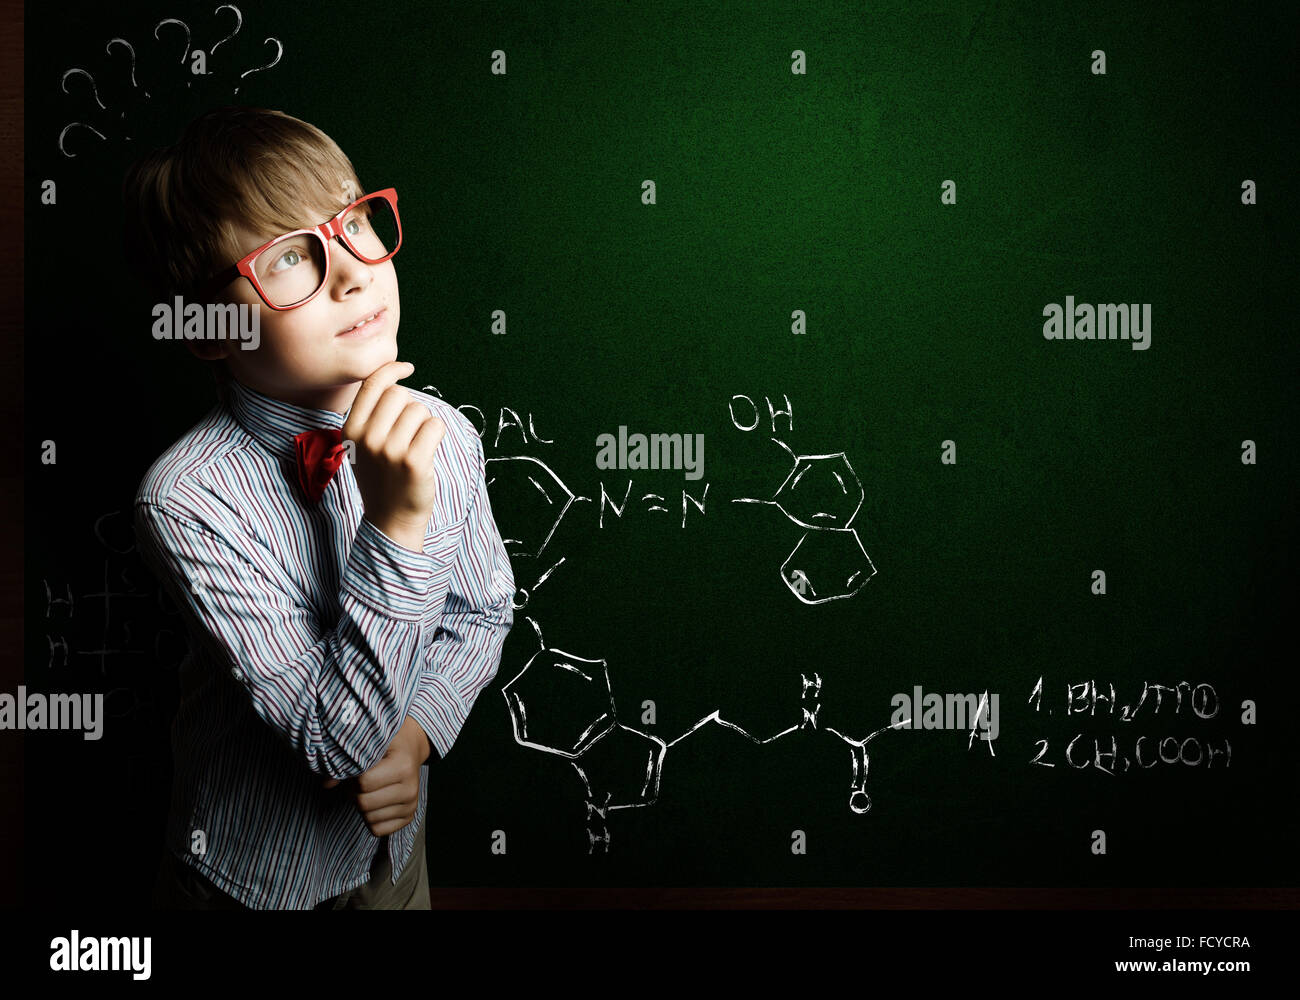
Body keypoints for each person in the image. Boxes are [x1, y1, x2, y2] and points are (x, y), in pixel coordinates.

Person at [121, 106, 515, 910]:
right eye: (291, 258)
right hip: (254, 882)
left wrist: (417, 734)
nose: (354, 271)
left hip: (394, 857)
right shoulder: (185, 499)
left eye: (355, 219)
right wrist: (397, 528)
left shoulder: (446, 433)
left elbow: (483, 609)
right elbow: (335, 744)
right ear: (207, 328)